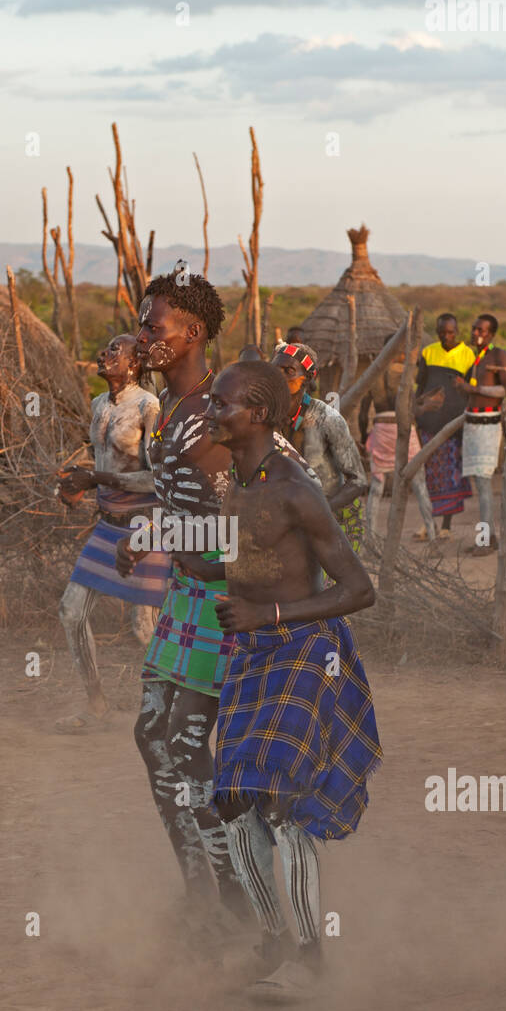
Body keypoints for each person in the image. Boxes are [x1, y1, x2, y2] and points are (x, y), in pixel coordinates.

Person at [115, 274, 318, 933]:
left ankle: (235, 903)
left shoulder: (214, 418)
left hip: (228, 599)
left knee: (192, 750)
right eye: (143, 326)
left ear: (191, 333)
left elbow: (246, 523)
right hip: (189, 593)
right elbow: (192, 497)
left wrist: (157, 534)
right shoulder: (177, 410)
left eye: (154, 327)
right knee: (156, 736)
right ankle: (205, 889)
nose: (144, 337)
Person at [196, 362, 381, 1001]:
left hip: (305, 650)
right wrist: (148, 544)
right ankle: (274, 942)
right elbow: (239, 561)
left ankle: (310, 956)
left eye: (222, 403)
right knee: (234, 802)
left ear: (259, 415)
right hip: (252, 651)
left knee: (286, 806)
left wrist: (267, 614)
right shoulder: (235, 483)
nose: (210, 411)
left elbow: (360, 591)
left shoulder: (297, 489)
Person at [54, 335, 171, 734]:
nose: (104, 355)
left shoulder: (148, 406)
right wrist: (75, 487)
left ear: (136, 364)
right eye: (103, 348)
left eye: (114, 351)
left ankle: (173, 713)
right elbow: (102, 464)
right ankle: (96, 703)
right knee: (71, 612)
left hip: (143, 529)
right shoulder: (98, 405)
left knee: (146, 631)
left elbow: (159, 480)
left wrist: (95, 478)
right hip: (108, 524)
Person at [271, 341, 367, 551]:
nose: (279, 377)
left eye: (289, 371)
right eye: (275, 370)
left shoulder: (327, 419)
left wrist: (322, 511)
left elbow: (358, 481)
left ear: (308, 378)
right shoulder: (263, 419)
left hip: (333, 521)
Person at [362, 336, 435, 540]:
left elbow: (362, 414)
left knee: (376, 487)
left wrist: (364, 435)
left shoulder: (372, 375)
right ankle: (432, 533)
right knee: (419, 484)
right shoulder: (404, 372)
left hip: (380, 428)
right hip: (402, 427)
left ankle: (371, 536)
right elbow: (410, 407)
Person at [413, 313, 475, 537]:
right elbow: (419, 388)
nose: (446, 337)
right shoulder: (429, 353)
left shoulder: (468, 355)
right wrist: (416, 414)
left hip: (454, 424)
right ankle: (427, 523)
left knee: (451, 475)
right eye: (441, 333)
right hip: (428, 422)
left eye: (450, 332)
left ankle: (446, 526)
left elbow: (470, 391)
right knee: (428, 474)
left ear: (457, 331)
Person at [457, 314, 506, 554]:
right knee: (480, 484)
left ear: (491, 334)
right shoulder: (475, 359)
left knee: (484, 482)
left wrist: (475, 388)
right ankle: (486, 538)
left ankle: (487, 541)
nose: (475, 333)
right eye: (473, 328)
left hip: (488, 424)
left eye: (481, 330)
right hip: (472, 422)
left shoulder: (498, 355)